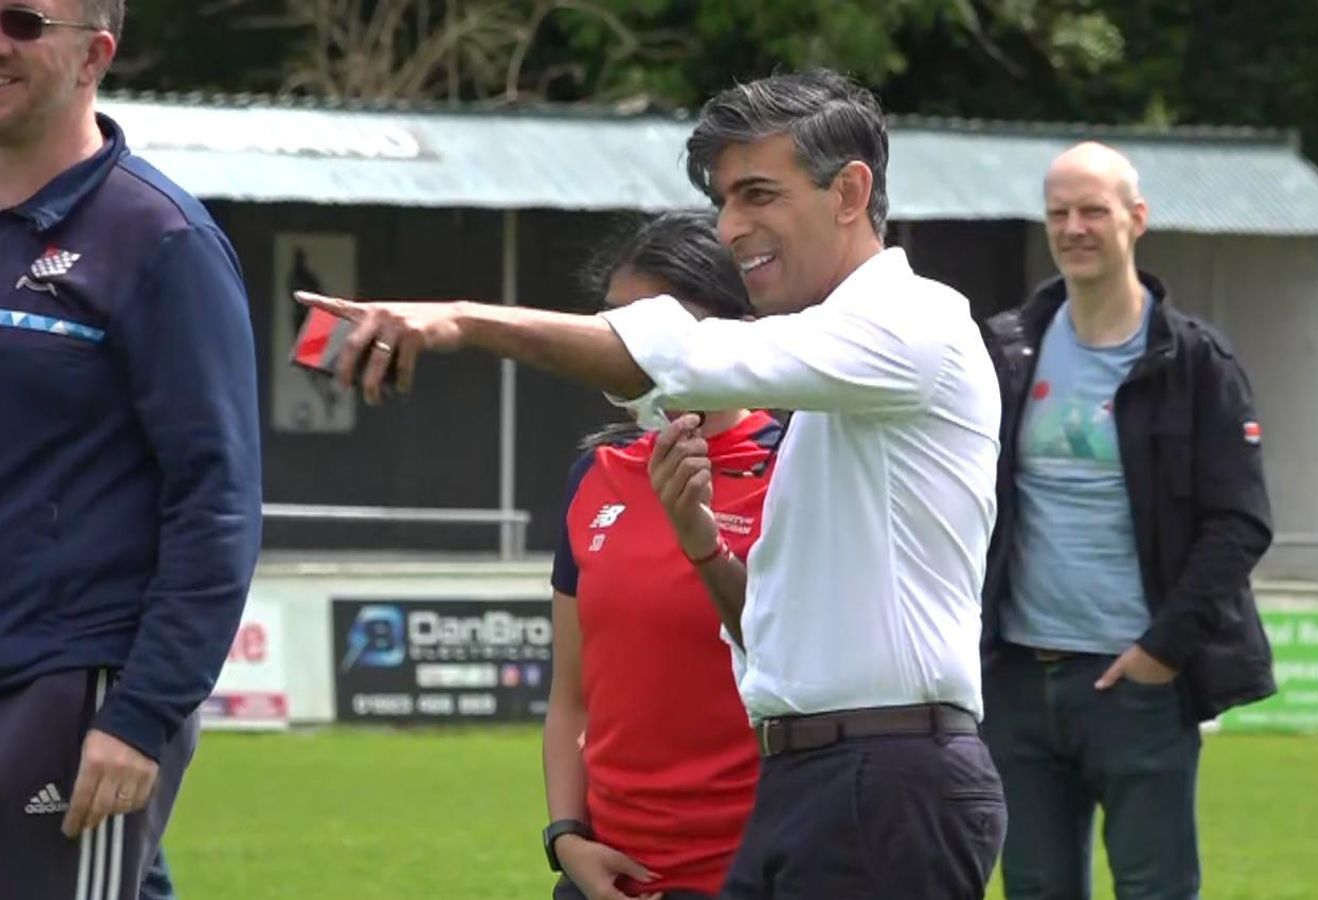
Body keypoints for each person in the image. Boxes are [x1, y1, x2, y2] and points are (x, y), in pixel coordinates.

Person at [298, 67, 1007, 900]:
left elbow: (690, 358)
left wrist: (461, 321)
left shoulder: (912, 325)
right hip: (822, 780)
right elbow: (778, 639)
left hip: (882, 784)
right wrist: (704, 545)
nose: (731, 227)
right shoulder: (838, 377)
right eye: (724, 200)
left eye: (757, 195)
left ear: (850, 191)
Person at [0, 1, 263, 898]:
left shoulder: (160, 239)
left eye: (20, 20)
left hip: (68, 686)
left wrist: (142, 714)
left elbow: (217, 499)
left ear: (93, 55)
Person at [978, 142, 1276, 900]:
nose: (1074, 228)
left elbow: (1239, 523)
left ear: (1136, 219)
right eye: (1058, 213)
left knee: (1155, 890)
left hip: (1137, 685)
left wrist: (1161, 653)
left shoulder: (1196, 362)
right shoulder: (1007, 349)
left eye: (1093, 211)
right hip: (1018, 678)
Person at [543, 211, 779, 900]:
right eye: (611, 324)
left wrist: (702, 543)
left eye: (644, 327)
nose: (617, 347)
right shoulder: (596, 475)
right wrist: (566, 839)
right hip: (605, 880)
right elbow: (569, 698)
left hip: (751, 875)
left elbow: (790, 657)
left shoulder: (794, 465)